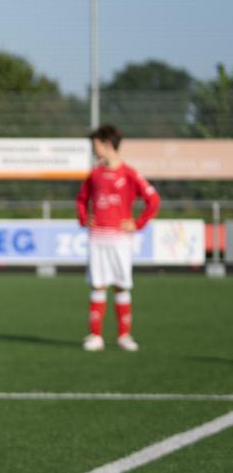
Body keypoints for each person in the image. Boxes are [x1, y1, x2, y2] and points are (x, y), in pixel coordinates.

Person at [76, 124, 160, 352]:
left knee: (121, 286)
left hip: (120, 239)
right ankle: (95, 336)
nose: (93, 149)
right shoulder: (94, 174)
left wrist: (138, 223)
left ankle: (124, 335)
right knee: (98, 285)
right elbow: (81, 199)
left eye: (95, 145)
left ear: (106, 144)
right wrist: (83, 219)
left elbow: (153, 200)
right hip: (97, 238)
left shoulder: (129, 173)